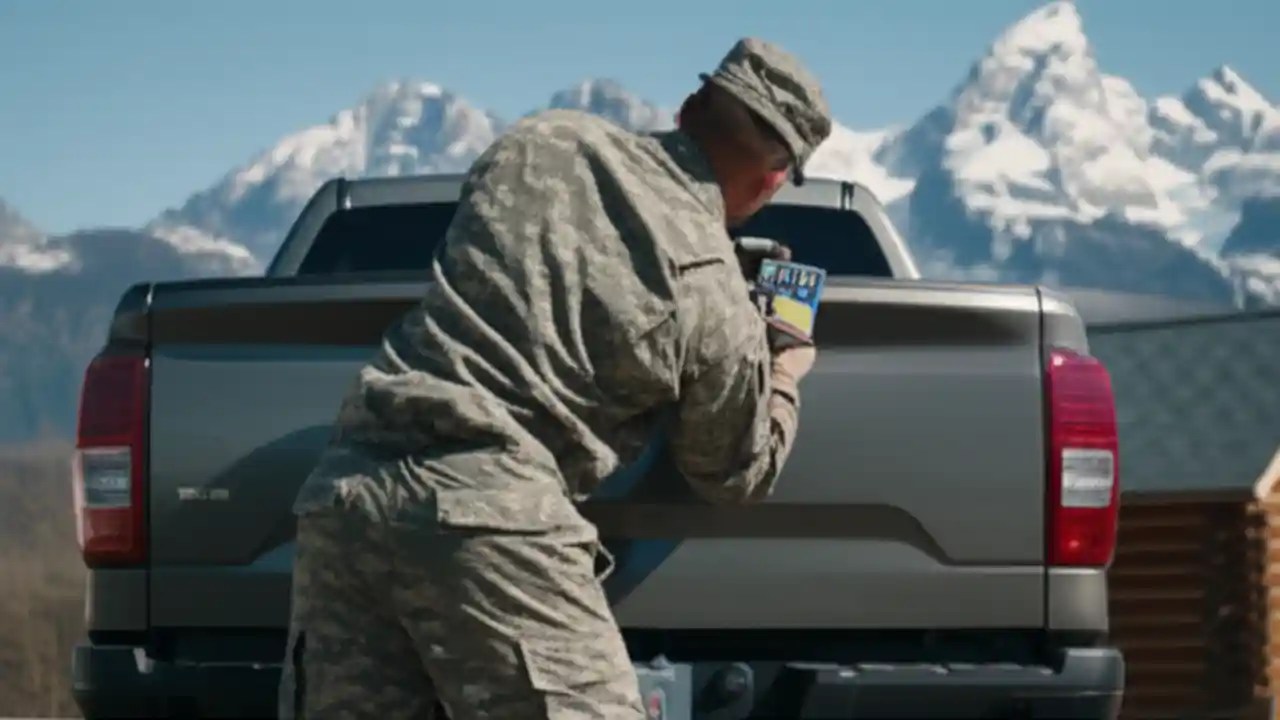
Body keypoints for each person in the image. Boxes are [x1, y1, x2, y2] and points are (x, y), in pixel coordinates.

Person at [278, 36, 832, 720]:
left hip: (344, 503)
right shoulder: (712, 288)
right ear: (775, 177)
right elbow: (731, 470)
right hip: (489, 518)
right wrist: (782, 370)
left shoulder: (539, 143)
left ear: (690, 107)